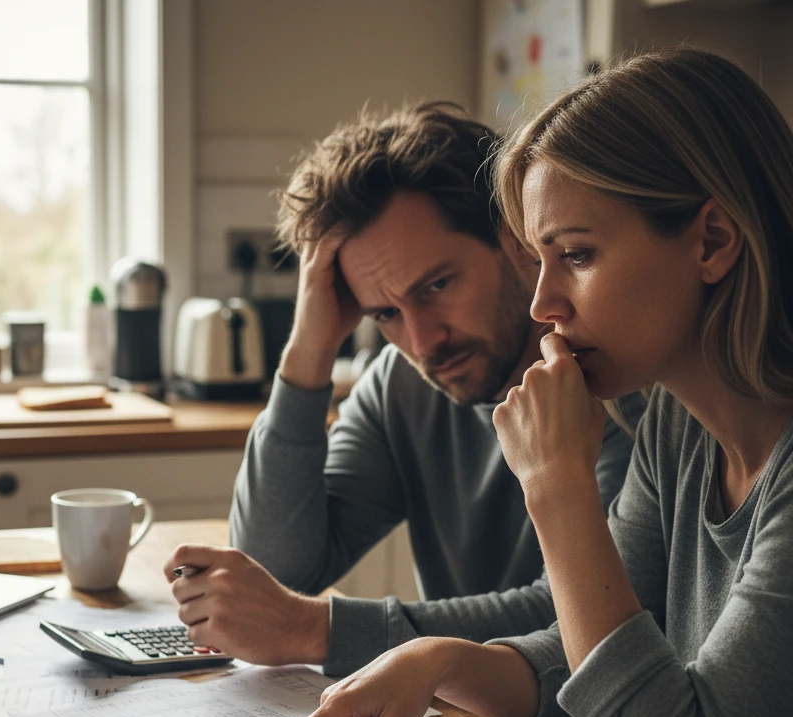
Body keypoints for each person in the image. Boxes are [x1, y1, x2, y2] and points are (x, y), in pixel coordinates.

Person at [251, 47, 793, 717]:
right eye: (540, 260)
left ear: (712, 239)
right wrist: (441, 660)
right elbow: (586, 652)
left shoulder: (664, 425)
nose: (546, 303)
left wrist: (558, 487)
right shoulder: (682, 430)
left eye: (575, 256)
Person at [165, 102, 636, 675]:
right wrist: (307, 352)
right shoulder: (401, 387)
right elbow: (278, 571)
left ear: (516, 242)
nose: (421, 340)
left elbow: (581, 622)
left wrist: (317, 629)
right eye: (385, 312)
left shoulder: (618, 384)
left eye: (437, 284)